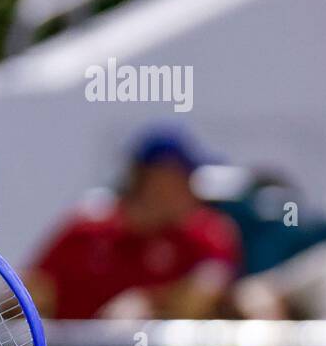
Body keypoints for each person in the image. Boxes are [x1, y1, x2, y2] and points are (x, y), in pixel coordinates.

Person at [25, 130, 242, 319]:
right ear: (152, 181)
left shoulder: (207, 231)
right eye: (184, 178)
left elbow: (206, 288)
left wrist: (149, 302)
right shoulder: (87, 231)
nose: (191, 190)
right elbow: (33, 291)